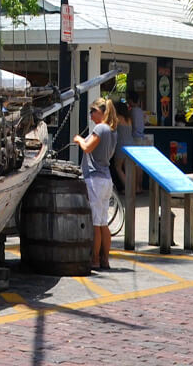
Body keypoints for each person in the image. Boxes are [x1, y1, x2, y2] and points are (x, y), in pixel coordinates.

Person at [74, 97, 120, 270]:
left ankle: (94, 259)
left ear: (101, 112)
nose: (91, 114)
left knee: (95, 222)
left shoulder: (100, 128)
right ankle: (105, 260)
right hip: (106, 178)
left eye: (93, 111)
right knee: (103, 222)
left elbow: (87, 148)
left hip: (95, 178)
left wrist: (79, 139)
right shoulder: (113, 130)